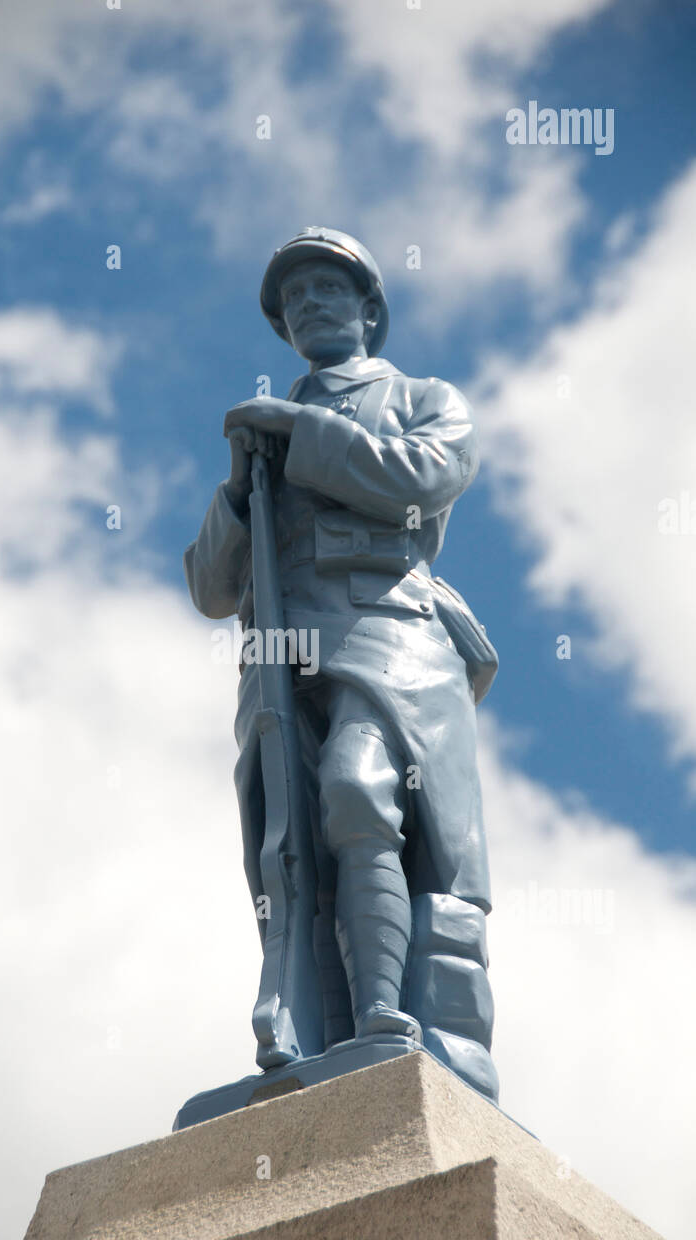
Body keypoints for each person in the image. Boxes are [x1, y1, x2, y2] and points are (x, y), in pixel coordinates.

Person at [184, 228, 499, 1101]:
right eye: (293, 300)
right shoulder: (263, 444)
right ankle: (316, 1045)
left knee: (360, 793)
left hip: (387, 636)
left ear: (368, 311)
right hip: (280, 663)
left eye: (327, 289)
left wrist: (300, 433)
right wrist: (240, 486)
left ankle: (386, 1026)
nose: (308, 305)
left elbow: (424, 477)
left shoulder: (425, 399)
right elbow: (211, 588)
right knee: (292, 861)